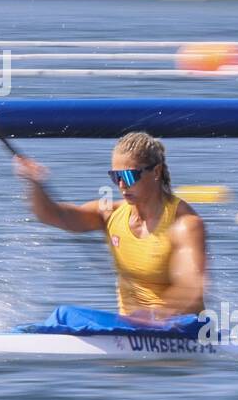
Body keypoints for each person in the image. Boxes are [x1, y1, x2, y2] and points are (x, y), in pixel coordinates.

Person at [14, 131, 206, 321]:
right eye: (115, 177)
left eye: (129, 176)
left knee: (65, 316)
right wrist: (34, 183)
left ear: (156, 172)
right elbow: (52, 215)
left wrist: (153, 317)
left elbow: (191, 288)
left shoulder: (184, 224)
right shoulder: (110, 214)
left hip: (183, 328)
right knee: (63, 316)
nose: (121, 185)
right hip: (132, 328)